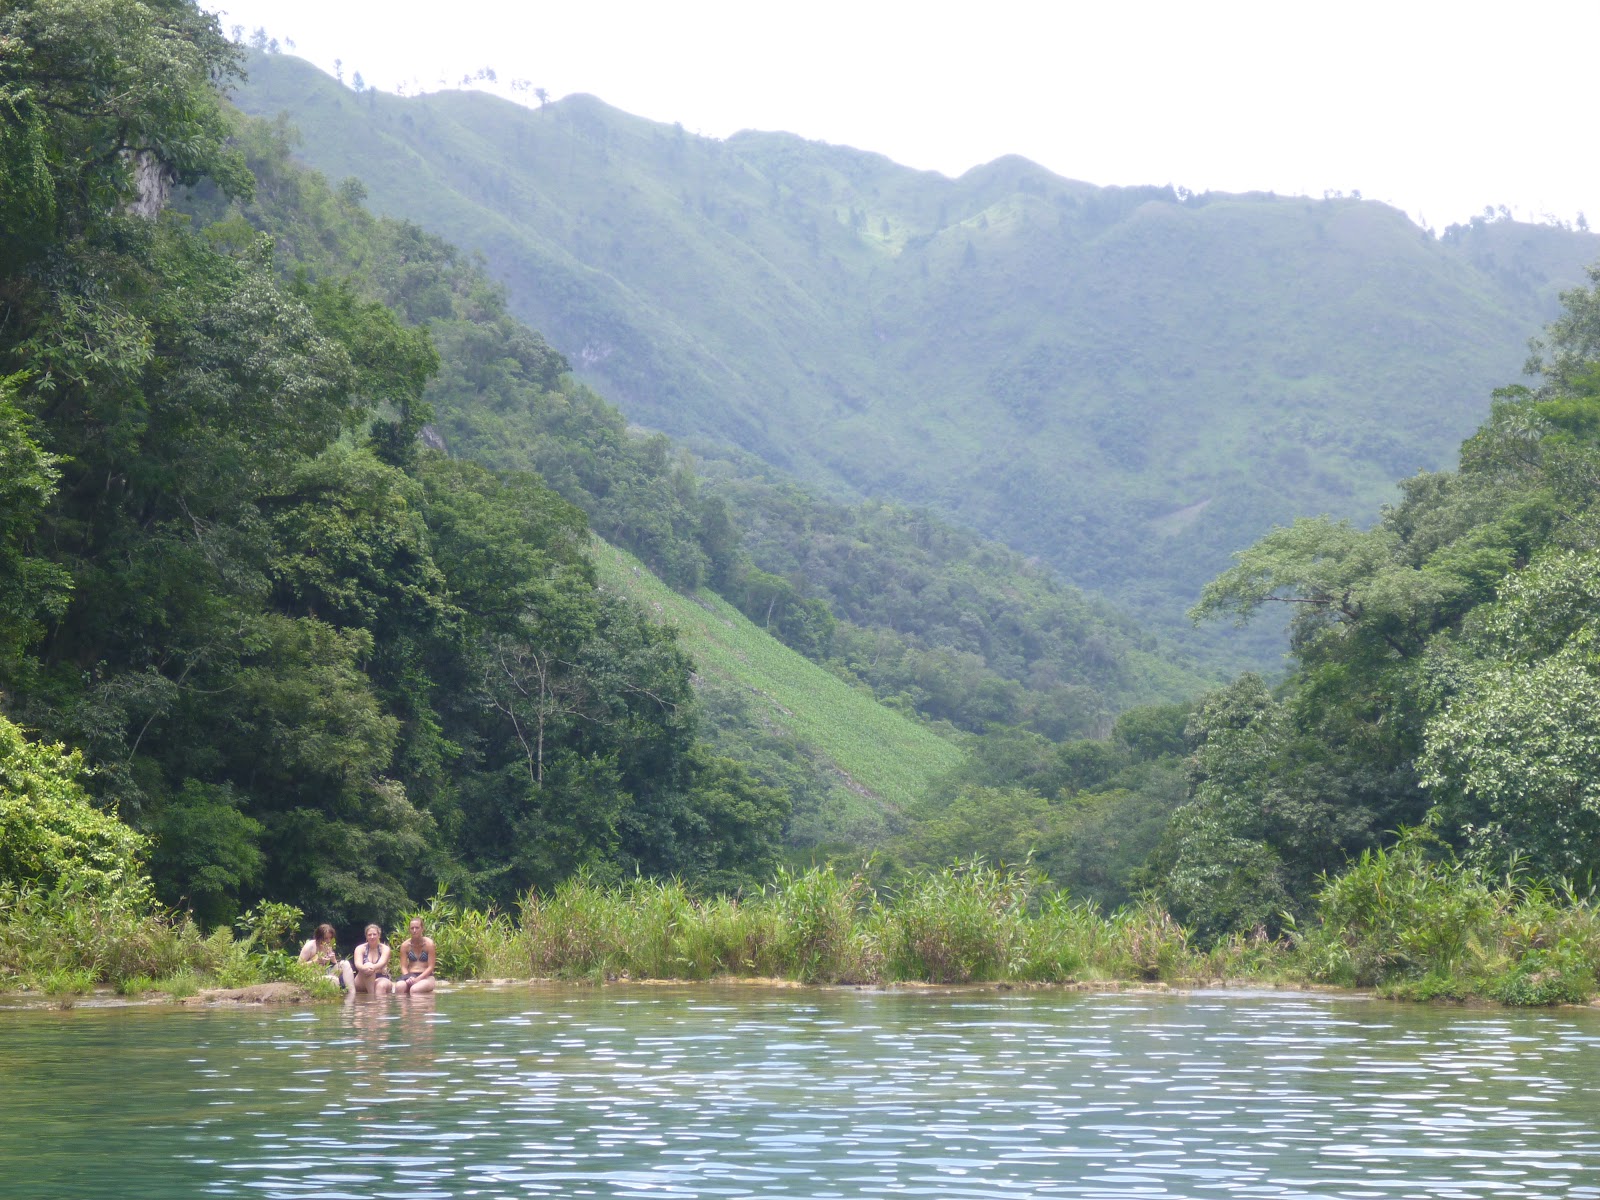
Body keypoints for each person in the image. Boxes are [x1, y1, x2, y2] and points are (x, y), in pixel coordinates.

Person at [299, 923, 354, 992]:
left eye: (330, 938)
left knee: (345, 963)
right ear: (318, 937)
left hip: (325, 973)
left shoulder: (328, 946)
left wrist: (334, 960)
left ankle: (352, 992)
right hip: (312, 976)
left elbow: (338, 970)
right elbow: (299, 966)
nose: (328, 941)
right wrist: (316, 961)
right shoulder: (310, 946)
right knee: (334, 980)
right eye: (325, 938)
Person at [395, 916, 437, 995]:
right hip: (410, 975)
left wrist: (418, 979)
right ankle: (403, 1004)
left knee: (415, 989)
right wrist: (408, 977)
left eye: (417, 928)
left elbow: (431, 967)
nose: (414, 930)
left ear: (422, 929)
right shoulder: (405, 946)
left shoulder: (429, 944)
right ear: (409, 930)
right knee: (399, 986)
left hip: (427, 977)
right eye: (412, 928)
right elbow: (403, 966)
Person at [351, 923, 392, 995]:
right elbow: (358, 964)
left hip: (380, 976)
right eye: (369, 935)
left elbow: (382, 962)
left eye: (374, 934)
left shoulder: (384, 948)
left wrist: (372, 967)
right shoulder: (360, 948)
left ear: (379, 935)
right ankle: (372, 996)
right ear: (366, 936)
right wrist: (365, 968)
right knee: (367, 965)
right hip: (363, 977)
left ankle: (373, 998)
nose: (372, 937)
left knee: (381, 986)